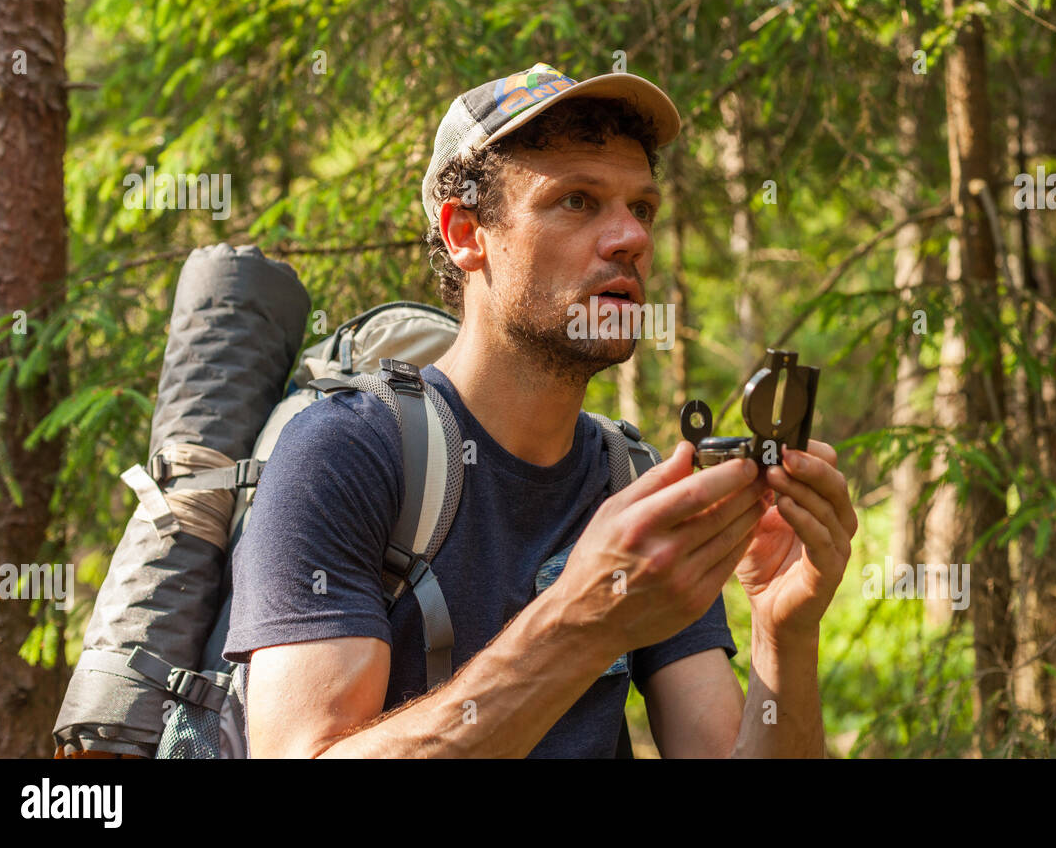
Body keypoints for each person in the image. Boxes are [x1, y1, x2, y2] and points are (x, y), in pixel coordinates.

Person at [225, 62, 859, 758]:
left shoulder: (630, 479)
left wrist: (782, 627)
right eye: (578, 201)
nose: (632, 239)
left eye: (641, 208)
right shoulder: (345, 454)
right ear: (467, 233)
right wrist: (580, 622)